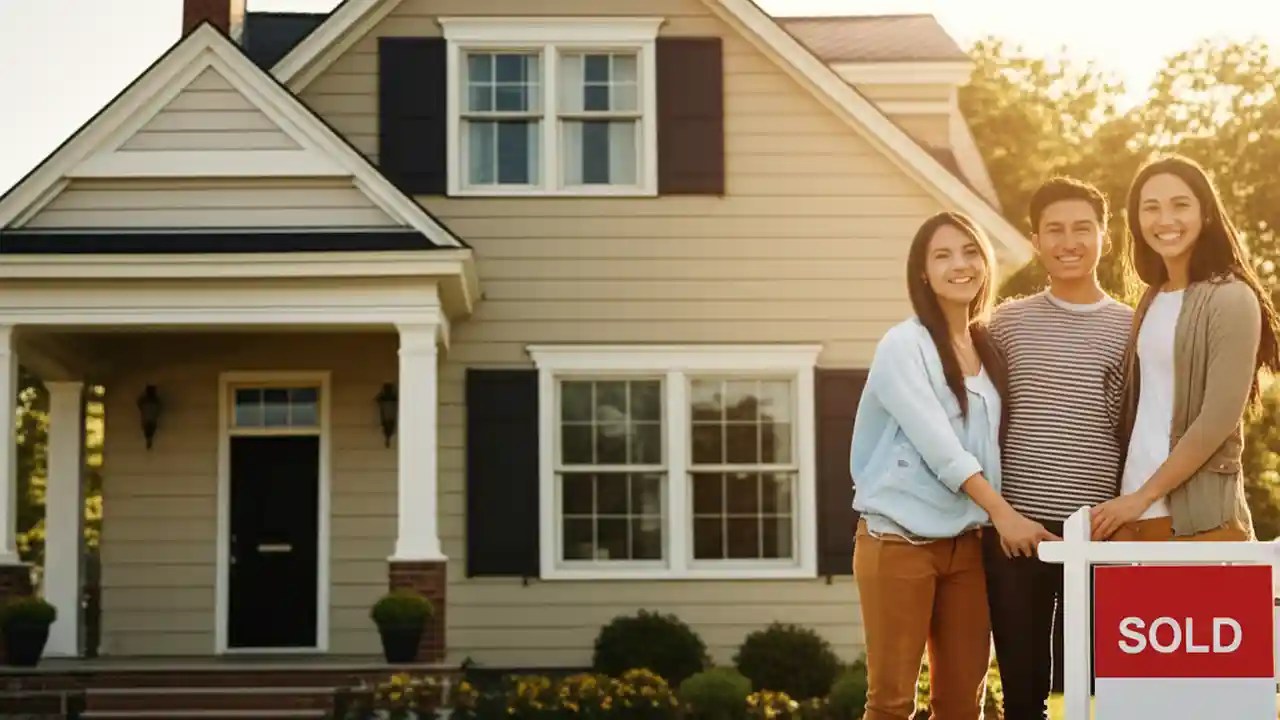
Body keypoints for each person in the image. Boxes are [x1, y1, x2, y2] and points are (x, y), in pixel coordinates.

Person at [850, 210, 1057, 720]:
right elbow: (940, 448)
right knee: (892, 702)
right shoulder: (904, 345)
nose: (959, 265)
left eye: (969, 252)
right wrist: (1005, 514)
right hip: (898, 542)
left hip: (966, 547)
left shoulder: (987, 347)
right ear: (922, 271)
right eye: (942, 255)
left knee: (963, 703)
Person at [984, 177, 1134, 720]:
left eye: (1081, 229)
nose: (1068, 242)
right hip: (1016, 534)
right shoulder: (1006, 322)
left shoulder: (1130, 327)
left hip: (1095, 531)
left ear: (1105, 237)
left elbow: (1131, 427)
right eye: (1055, 230)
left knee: (1089, 693)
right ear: (1035, 240)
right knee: (1023, 696)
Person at [1091, 154, 1280, 543]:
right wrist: (1130, 499)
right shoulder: (1152, 298)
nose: (1165, 220)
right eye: (1151, 208)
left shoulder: (1231, 297)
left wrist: (1144, 496)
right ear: (1137, 221)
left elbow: (1218, 418)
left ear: (1205, 213)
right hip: (1131, 513)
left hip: (1197, 520)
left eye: (1180, 205)